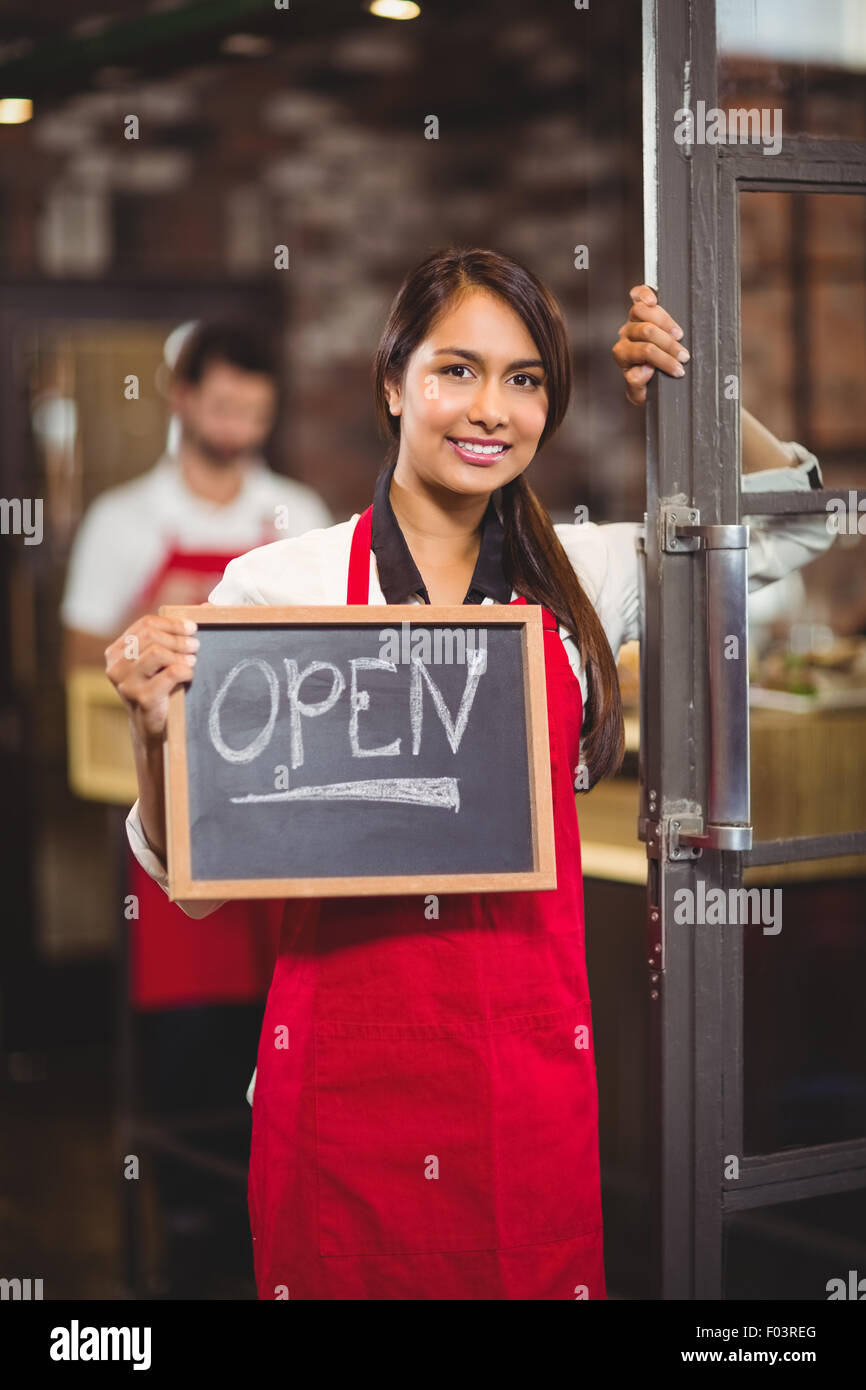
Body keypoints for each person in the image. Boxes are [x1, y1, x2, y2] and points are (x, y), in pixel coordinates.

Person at [107, 251, 834, 1300]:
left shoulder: (585, 572)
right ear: (393, 382)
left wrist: (698, 384)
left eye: (524, 378)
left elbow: (792, 520)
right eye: (456, 370)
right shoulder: (281, 586)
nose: (489, 407)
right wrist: (149, 726)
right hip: (339, 1089)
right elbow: (201, 875)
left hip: (522, 1084)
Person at [62, 320, 333, 1291]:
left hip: (282, 809)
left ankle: (277, 1214)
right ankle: (190, 1229)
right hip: (176, 803)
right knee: (187, 1038)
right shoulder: (124, 521)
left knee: (283, 1020)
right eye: (222, 405)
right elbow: (78, 665)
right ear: (180, 398)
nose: (239, 424)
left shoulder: (295, 511)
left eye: (256, 410)